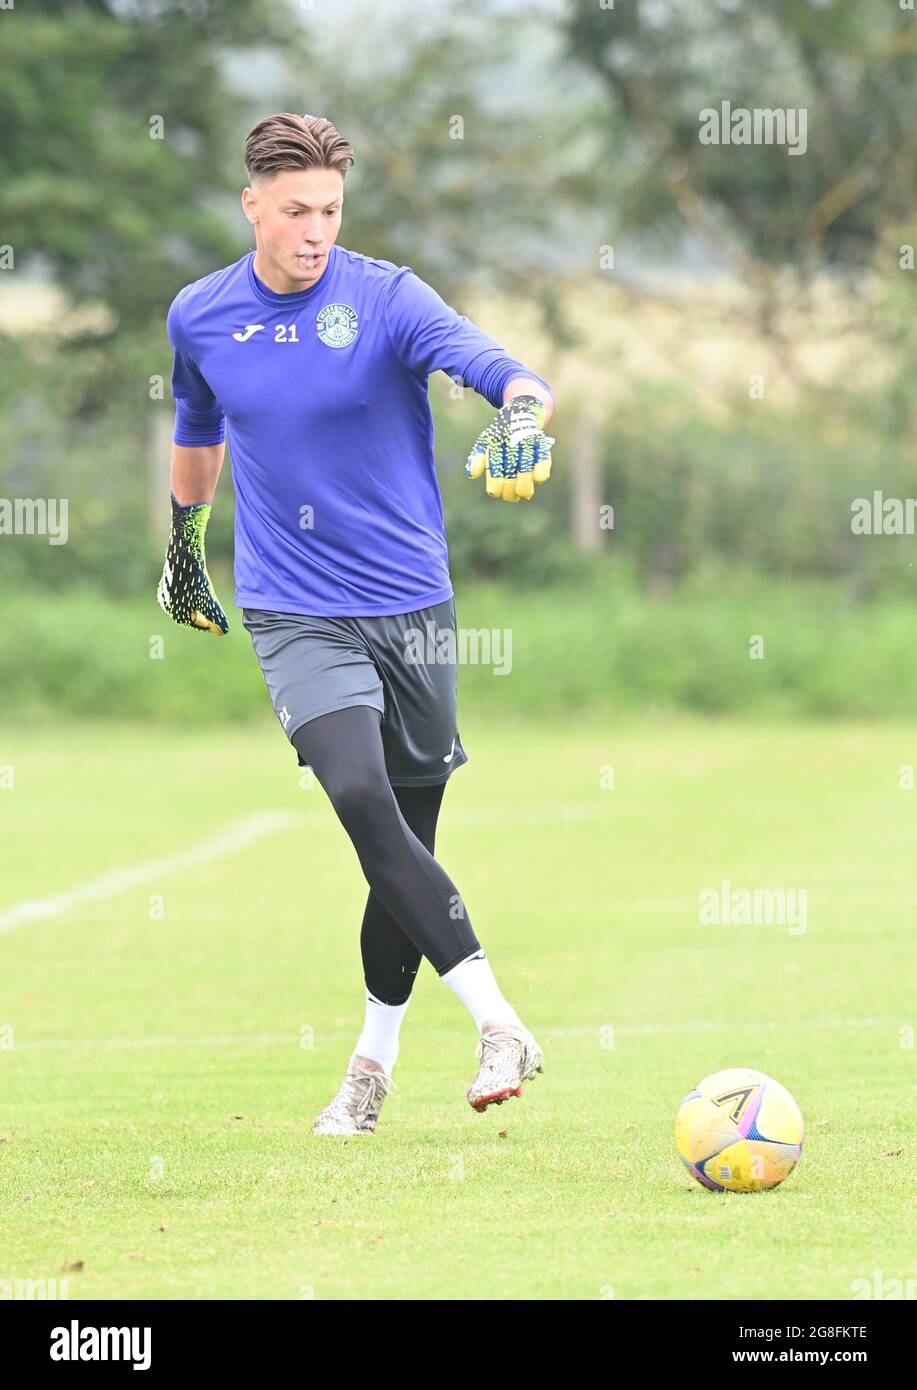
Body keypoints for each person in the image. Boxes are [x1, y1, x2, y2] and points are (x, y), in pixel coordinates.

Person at [157, 112, 556, 1136]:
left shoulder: (385, 296)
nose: (314, 229)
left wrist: (517, 412)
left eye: (329, 209)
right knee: (355, 793)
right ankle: (498, 1021)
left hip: (412, 609)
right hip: (295, 610)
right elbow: (198, 431)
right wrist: (182, 548)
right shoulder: (199, 316)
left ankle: (368, 1065)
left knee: (402, 846)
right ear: (251, 204)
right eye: (295, 210)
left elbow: (500, 367)